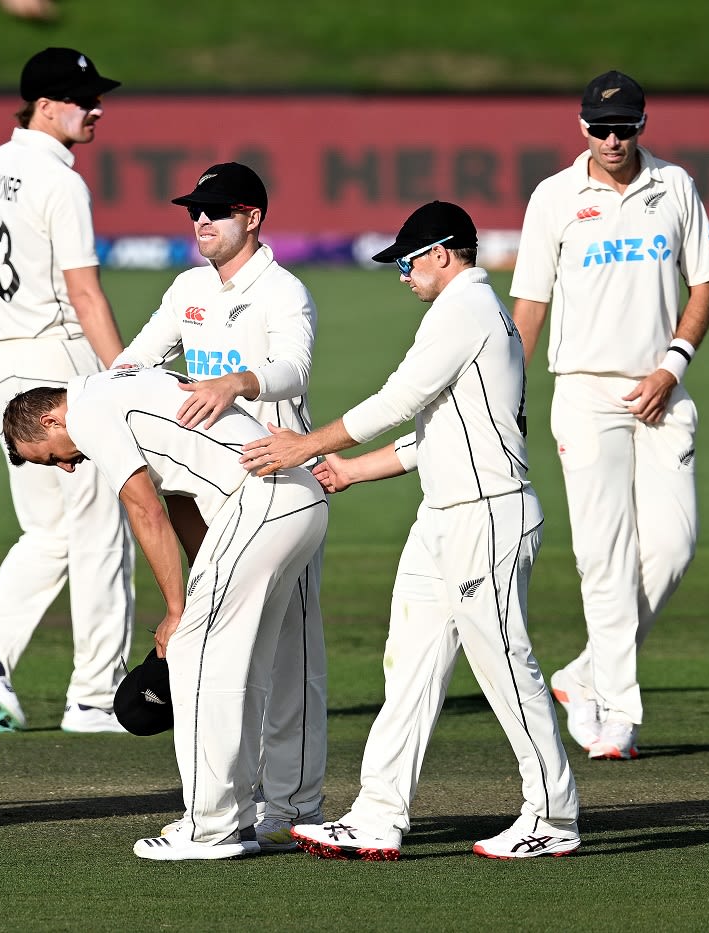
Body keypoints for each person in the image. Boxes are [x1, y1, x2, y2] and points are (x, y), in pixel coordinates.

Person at [241, 200, 581, 860]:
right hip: (445, 517)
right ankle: (376, 812)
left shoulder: (467, 310)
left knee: (507, 667)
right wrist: (348, 469)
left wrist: (304, 444)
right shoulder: (467, 316)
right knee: (410, 666)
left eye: (407, 261)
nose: (402, 273)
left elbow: (397, 400)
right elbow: (435, 436)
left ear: (444, 254)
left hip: (487, 513)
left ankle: (553, 814)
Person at [3, 368, 329, 860]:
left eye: (51, 457)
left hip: (261, 502)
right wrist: (204, 590)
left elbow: (145, 510)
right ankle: (271, 814)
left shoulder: (88, 411)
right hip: (299, 501)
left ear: (51, 418)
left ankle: (212, 829)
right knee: (252, 661)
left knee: (195, 657)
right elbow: (179, 500)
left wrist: (179, 611)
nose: (67, 468)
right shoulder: (121, 388)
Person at [510, 70, 709, 760]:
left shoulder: (675, 187)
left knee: (671, 546)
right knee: (603, 556)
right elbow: (530, 306)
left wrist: (673, 365)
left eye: (624, 127)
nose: (612, 139)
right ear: (581, 127)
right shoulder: (554, 197)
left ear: (642, 125)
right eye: (600, 128)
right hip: (584, 389)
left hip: (662, 386)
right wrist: (503, 395)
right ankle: (618, 714)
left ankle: (584, 675)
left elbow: (706, 286)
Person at [111, 162, 327, 852]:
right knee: (229, 646)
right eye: (193, 212)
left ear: (253, 217)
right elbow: (133, 362)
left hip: (278, 485)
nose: (200, 222)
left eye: (215, 211)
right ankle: (239, 799)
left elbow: (294, 367)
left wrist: (235, 381)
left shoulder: (283, 290)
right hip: (203, 497)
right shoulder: (188, 288)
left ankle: (292, 800)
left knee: (289, 650)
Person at [0, 47, 136, 735]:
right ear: (48, 104)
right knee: (100, 530)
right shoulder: (61, 181)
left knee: (49, 528)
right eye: (86, 100)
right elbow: (84, 292)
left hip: (3, 361)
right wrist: (124, 377)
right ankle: (94, 696)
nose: (97, 110)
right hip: (59, 361)